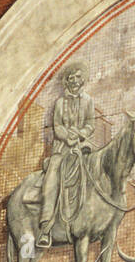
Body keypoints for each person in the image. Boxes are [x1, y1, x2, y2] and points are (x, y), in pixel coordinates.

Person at [37, 61, 96, 248]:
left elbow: (90, 124)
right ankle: (46, 228)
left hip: (82, 147)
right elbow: (57, 126)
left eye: (78, 77)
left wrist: (80, 134)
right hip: (61, 150)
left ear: (83, 80)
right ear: (66, 82)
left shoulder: (88, 101)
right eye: (71, 78)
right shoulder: (60, 103)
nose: (75, 81)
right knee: (51, 180)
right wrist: (67, 138)